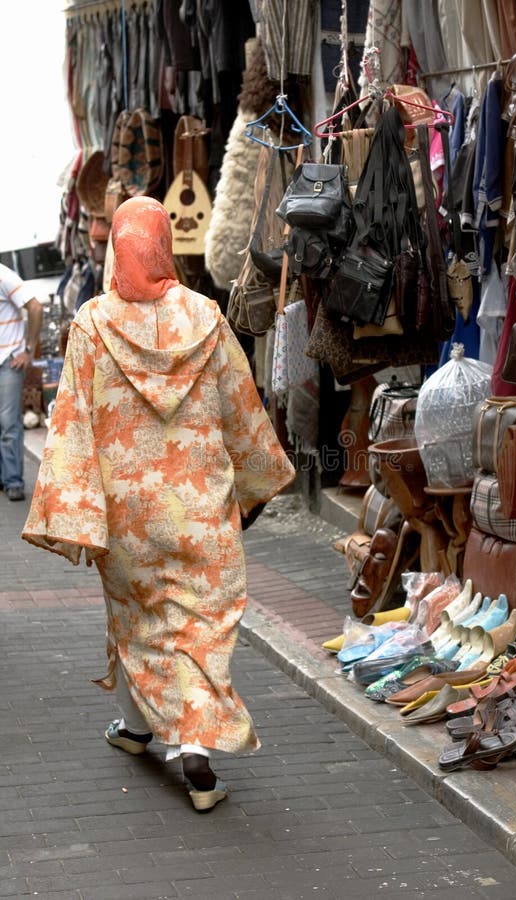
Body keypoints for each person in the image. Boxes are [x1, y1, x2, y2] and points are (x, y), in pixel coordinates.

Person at [22, 196, 296, 812]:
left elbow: (72, 422)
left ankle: (149, 732)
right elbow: (241, 406)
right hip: (201, 506)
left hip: (128, 512)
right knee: (199, 625)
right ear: (164, 246)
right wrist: (255, 481)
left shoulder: (92, 323)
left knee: (137, 620)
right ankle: (183, 746)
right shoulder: (205, 315)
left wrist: (76, 508)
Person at [0, 264, 43, 501]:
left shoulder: (3, 276)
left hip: (8, 360)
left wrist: (29, 350)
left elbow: (35, 307)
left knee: (9, 423)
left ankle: (13, 481)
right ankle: (3, 476)